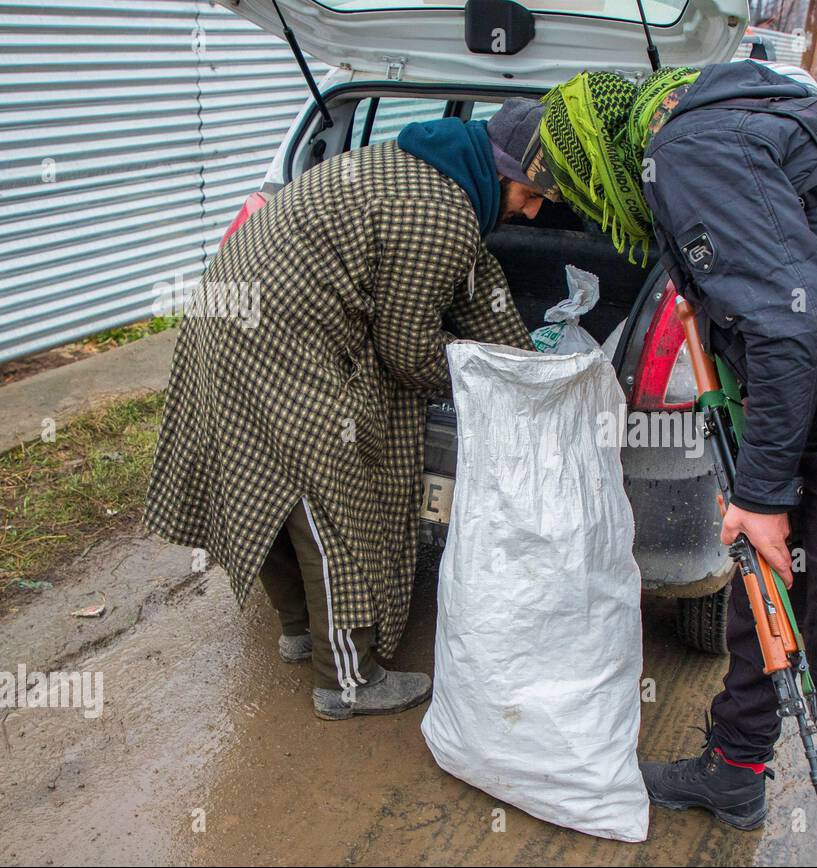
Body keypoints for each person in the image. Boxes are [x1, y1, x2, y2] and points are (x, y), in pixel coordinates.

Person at [527, 61, 817, 865]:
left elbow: (784, 319)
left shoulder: (690, 149)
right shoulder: (732, 111)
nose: (585, 209)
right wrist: (758, 483)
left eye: (576, 185)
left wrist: (765, 494)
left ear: (595, 151)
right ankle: (734, 769)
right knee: (760, 587)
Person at [145, 101, 555, 720]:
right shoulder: (443, 214)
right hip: (274, 341)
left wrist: (530, 368)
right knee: (329, 500)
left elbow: (476, 285)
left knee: (262, 481)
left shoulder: (424, 166)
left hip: (225, 322)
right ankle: (348, 680)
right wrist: (483, 376)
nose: (533, 210)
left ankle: (300, 629)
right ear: (498, 172)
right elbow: (409, 351)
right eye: (529, 194)